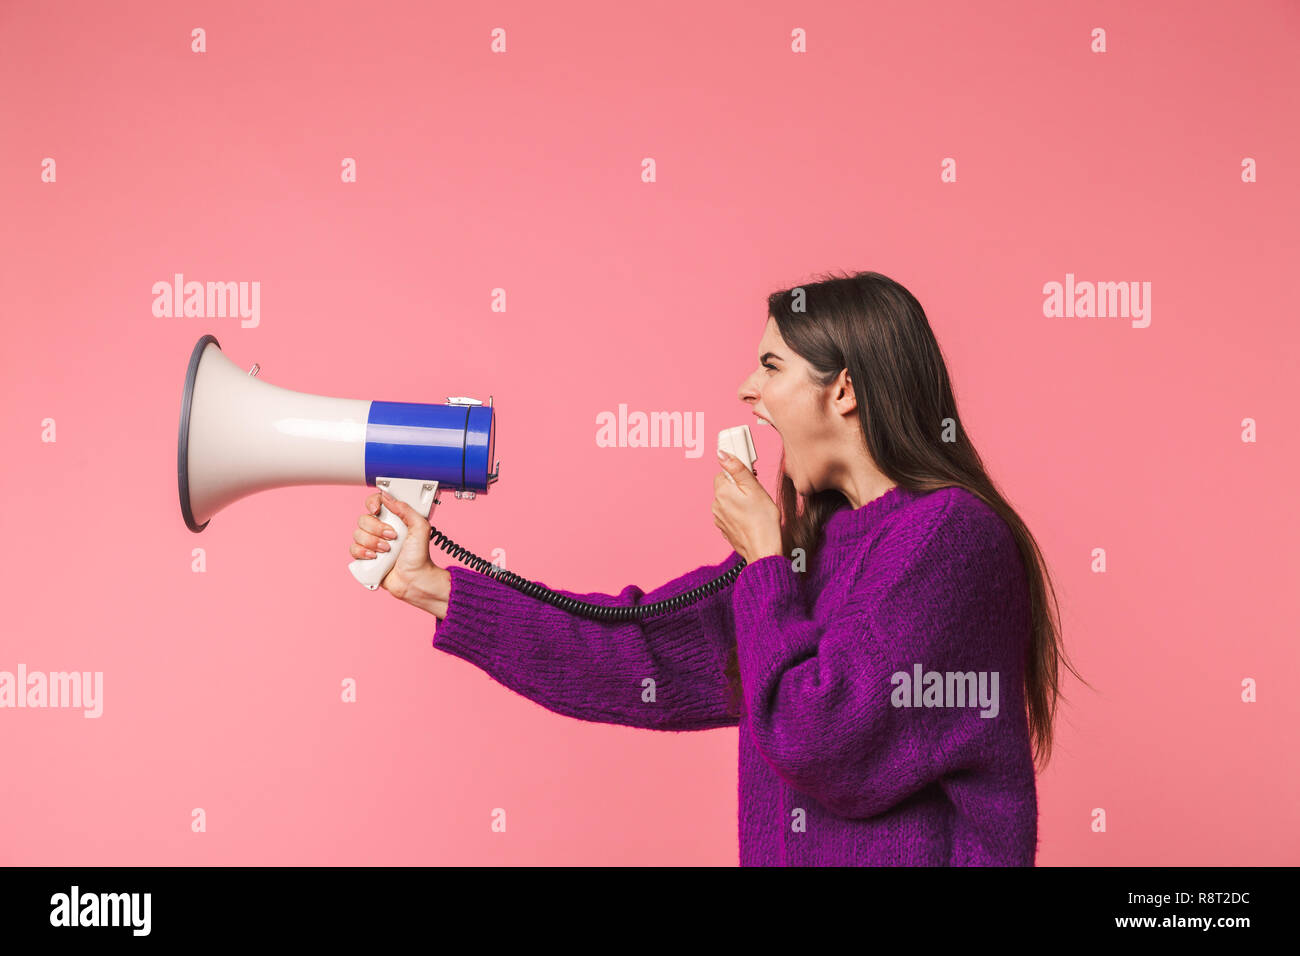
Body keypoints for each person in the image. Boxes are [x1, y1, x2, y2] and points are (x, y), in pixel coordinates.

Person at [348, 269, 1085, 866]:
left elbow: (821, 736)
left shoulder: (950, 540)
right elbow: (638, 658)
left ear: (846, 389)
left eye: (771, 365)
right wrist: (433, 588)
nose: (746, 390)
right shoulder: (810, 555)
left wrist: (764, 559)